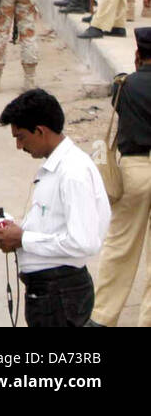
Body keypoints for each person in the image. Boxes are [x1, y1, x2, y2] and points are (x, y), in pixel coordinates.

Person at [0, 90, 111, 327]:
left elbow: (83, 241)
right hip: (50, 290)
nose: (18, 146)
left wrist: (24, 239)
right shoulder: (56, 168)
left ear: (40, 131)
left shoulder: (72, 173)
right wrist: (18, 235)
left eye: (21, 137)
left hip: (59, 292)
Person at [91, 27, 151, 326]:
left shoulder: (124, 84)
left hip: (135, 172)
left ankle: (102, 316)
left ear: (138, 55)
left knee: (120, 246)